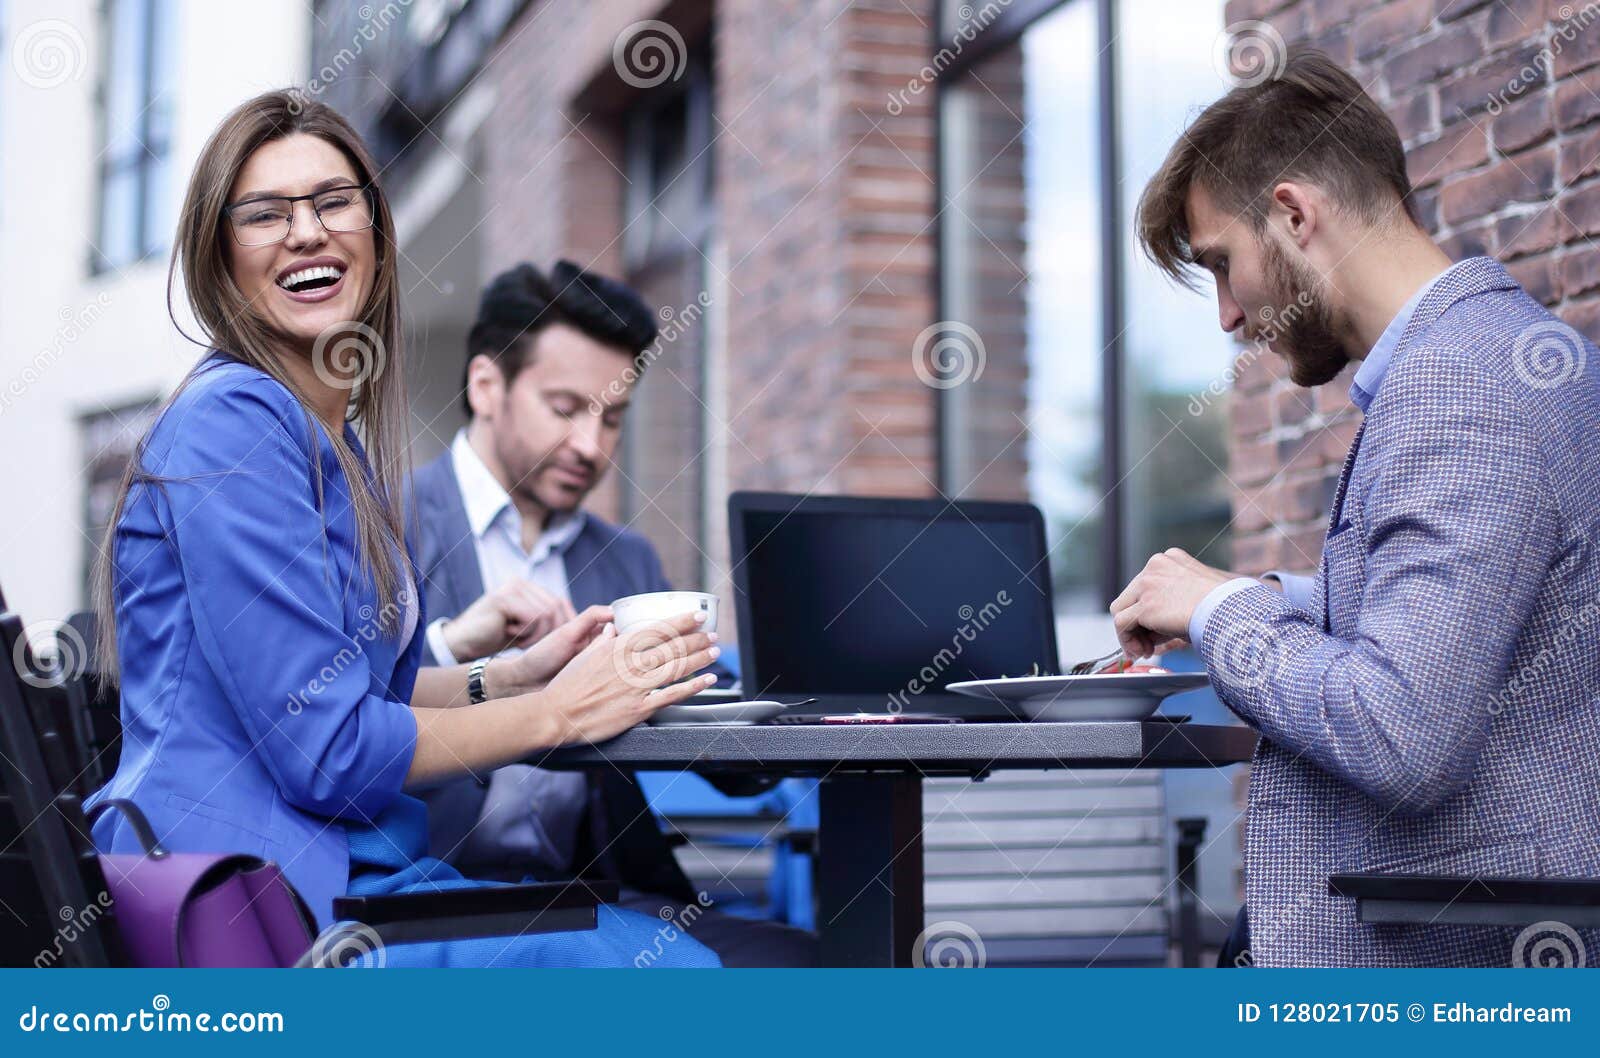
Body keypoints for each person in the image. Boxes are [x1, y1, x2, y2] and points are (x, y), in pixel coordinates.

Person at [84, 90, 722, 968]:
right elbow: (331, 748)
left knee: (666, 951)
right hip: (272, 910)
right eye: (265, 214)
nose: (306, 231)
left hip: (343, 886)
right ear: (221, 257)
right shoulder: (234, 424)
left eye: (333, 202)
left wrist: (510, 677)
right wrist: (560, 711)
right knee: (681, 971)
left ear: (376, 237)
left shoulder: (324, 436)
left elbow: (354, 688)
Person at [1113, 49, 1600, 966]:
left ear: (1294, 215)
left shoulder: (1461, 390)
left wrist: (1225, 614)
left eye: (1222, 264)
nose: (1225, 315)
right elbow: (1489, 617)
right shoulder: (1501, 354)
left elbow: (1399, 731)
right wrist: (1257, 593)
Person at [409, 261, 818, 967]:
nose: (592, 447)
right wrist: (450, 646)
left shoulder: (627, 563)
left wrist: (756, 689)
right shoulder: (382, 524)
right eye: (567, 409)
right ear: (486, 386)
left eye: (613, 418)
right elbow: (337, 714)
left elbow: (729, 765)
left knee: (811, 966)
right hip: (425, 887)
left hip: (598, 892)